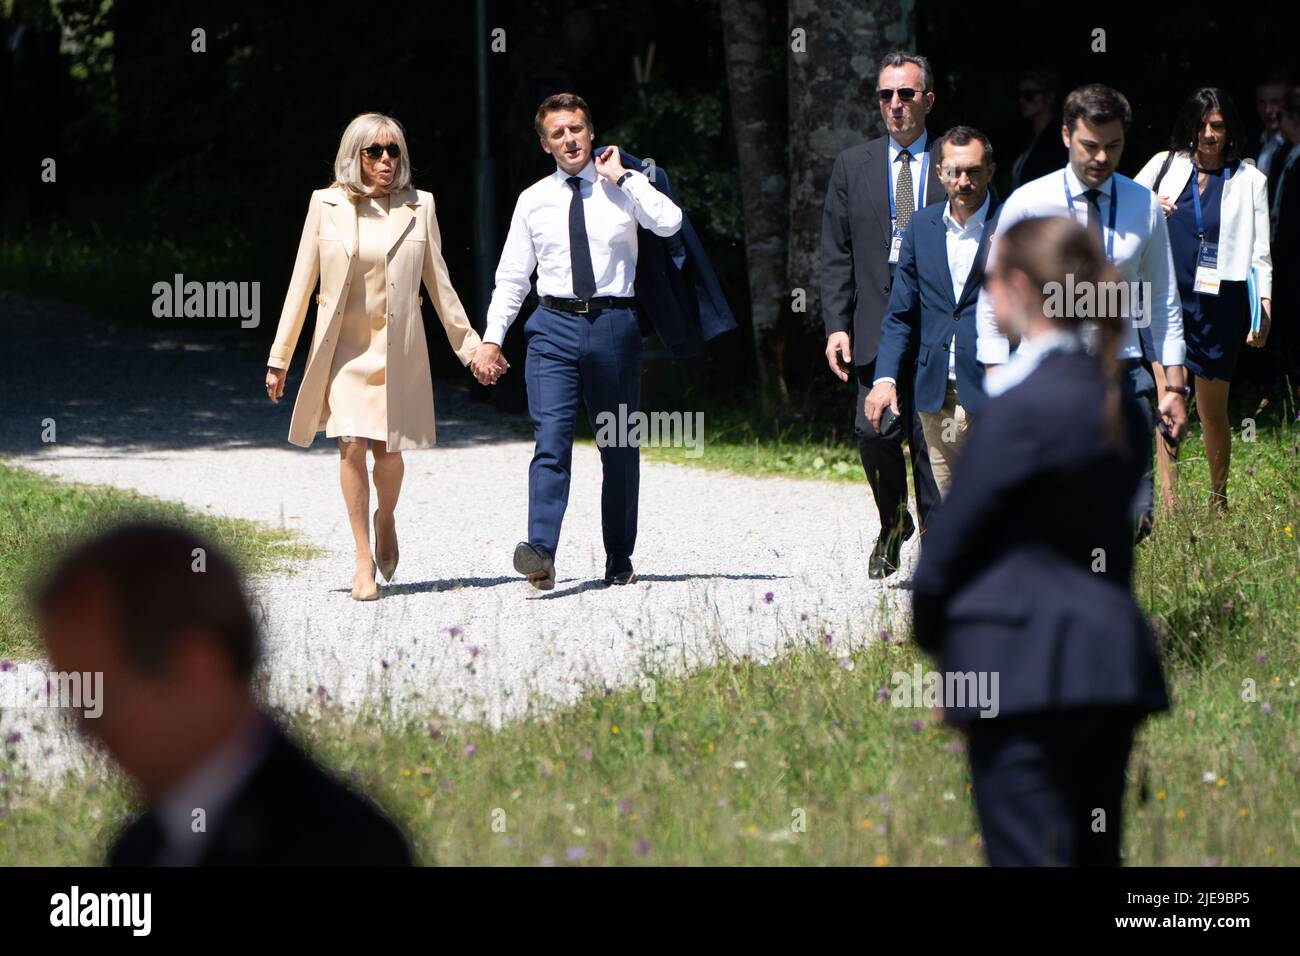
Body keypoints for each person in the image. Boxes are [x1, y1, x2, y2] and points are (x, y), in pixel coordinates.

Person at [913, 217, 1170, 866]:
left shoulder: (1017, 412)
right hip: (1108, 667)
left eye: (989, 280)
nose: (985, 295)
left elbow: (942, 563)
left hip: (1017, 670)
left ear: (1021, 287)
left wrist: (946, 653)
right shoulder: (1119, 408)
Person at [34, 523, 413, 866]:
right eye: (77, 711)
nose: (92, 737)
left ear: (196, 667)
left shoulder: (345, 849)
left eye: (100, 705)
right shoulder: (137, 848)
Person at [264, 113, 506, 601]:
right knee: (351, 443)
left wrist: (471, 347)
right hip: (344, 352)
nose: (385, 160)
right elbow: (300, 283)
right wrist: (280, 356)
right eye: (374, 152)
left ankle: (385, 517)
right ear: (354, 157)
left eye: (393, 150)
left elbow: (440, 285)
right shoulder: (325, 204)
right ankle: (361, 559)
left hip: (398, 351)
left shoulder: (421, 206)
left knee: (389, 454)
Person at [482, 93, 682, 590]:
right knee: (550, 442)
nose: (569, 139)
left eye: (576, 129)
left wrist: (626, 176)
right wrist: (491, 339)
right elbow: (512, 278)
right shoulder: (533, 200)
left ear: (591, 133)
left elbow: (669, 221)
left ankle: (619, 555)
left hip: (614, 327)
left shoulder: (624, 188)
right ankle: (541, 552)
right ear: (545, 145)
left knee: (617, 445)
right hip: (551, 328)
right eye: (558, 134)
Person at [976, 83, 1189, 540]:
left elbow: (1162, 299)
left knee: (1137, 515)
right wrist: (995, 371)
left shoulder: (1143, 206)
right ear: (1067, 135)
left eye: (1113, 146)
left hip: (1124, 371)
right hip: (1050, 373)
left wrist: (1174, 385)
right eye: (1091, 145)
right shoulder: (1029, 203)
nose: (1101, 157)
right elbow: (994, 292)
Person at [821, 50, 944, 578]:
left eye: (906, 93)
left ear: (927, 100)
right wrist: (836, 327)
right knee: (875, 435)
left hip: (937, 326)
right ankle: (894, 521)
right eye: (886, 95)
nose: (895, 104)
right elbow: (835, 253)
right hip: (872, 324)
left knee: (931, 442)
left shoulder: (953, 161)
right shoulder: (853, 164)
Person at [1135, 88, 1273, 512]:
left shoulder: (1249, 180)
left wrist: (1264, 306)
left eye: (1217, 125)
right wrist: (1150, 206)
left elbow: (1260, 253)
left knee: (1213, 411)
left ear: (1229, 129)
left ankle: (1218, 498)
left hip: (1220, 304)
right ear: (1188, 127)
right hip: (1166, 299)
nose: (1209, 134)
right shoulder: (1164, 165)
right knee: (1168, 398)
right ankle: (1171, 503)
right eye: (1201, 125)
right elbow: (1119, 205)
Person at [866, 126, 1001, 498]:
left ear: (991, 171)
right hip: (935, 394)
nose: (964, 181)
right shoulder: (919, 229)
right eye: (954, 171)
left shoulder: (1013, 227)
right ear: (939, 172)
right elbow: (900, 313)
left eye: (973, 171)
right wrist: (885, 379)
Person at [1010, 69, 1069, 190]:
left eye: (1029, 95)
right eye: (1020, 95)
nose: (1022, 101)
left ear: (1049, 97)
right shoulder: (1027, 136)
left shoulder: (1058, 139)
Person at [1251, 73, 1290, 205]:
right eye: (1262, 103)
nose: (1268, 110)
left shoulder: (1294, 148)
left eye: (1274, 102)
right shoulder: (1251, 143)